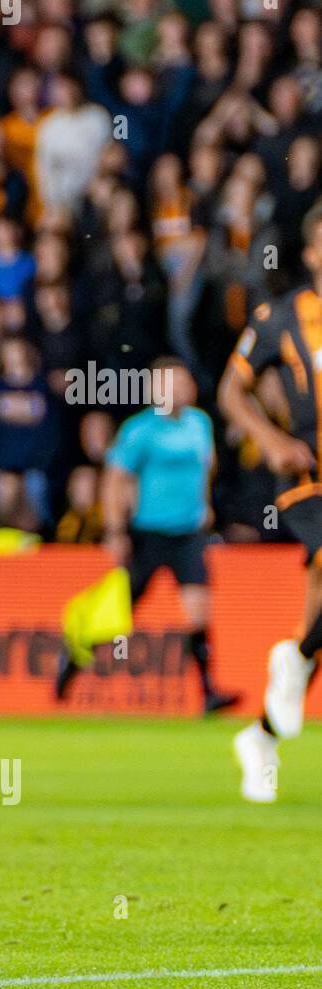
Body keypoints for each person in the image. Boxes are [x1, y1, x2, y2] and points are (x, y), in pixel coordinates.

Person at [54, 360, 238, 715]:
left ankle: (207, 691)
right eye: (172, 384)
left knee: (198, 612)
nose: (182, 390)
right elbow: (115, 479)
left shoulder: (200, 424)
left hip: (188, 533)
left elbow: (207, 467)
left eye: (185, 383)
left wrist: (205, 505)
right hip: (148, 533)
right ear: (156, 390)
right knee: (121, 613)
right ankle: (74, 657)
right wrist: (115, 530)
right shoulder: (140, 431)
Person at [217, 201, 322, 803]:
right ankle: (296, 659)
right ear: (309, 255)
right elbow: (231, 390)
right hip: (307, 471)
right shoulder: (281, 317)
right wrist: (272, 439)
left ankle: (262, 734)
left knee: (317, 622)